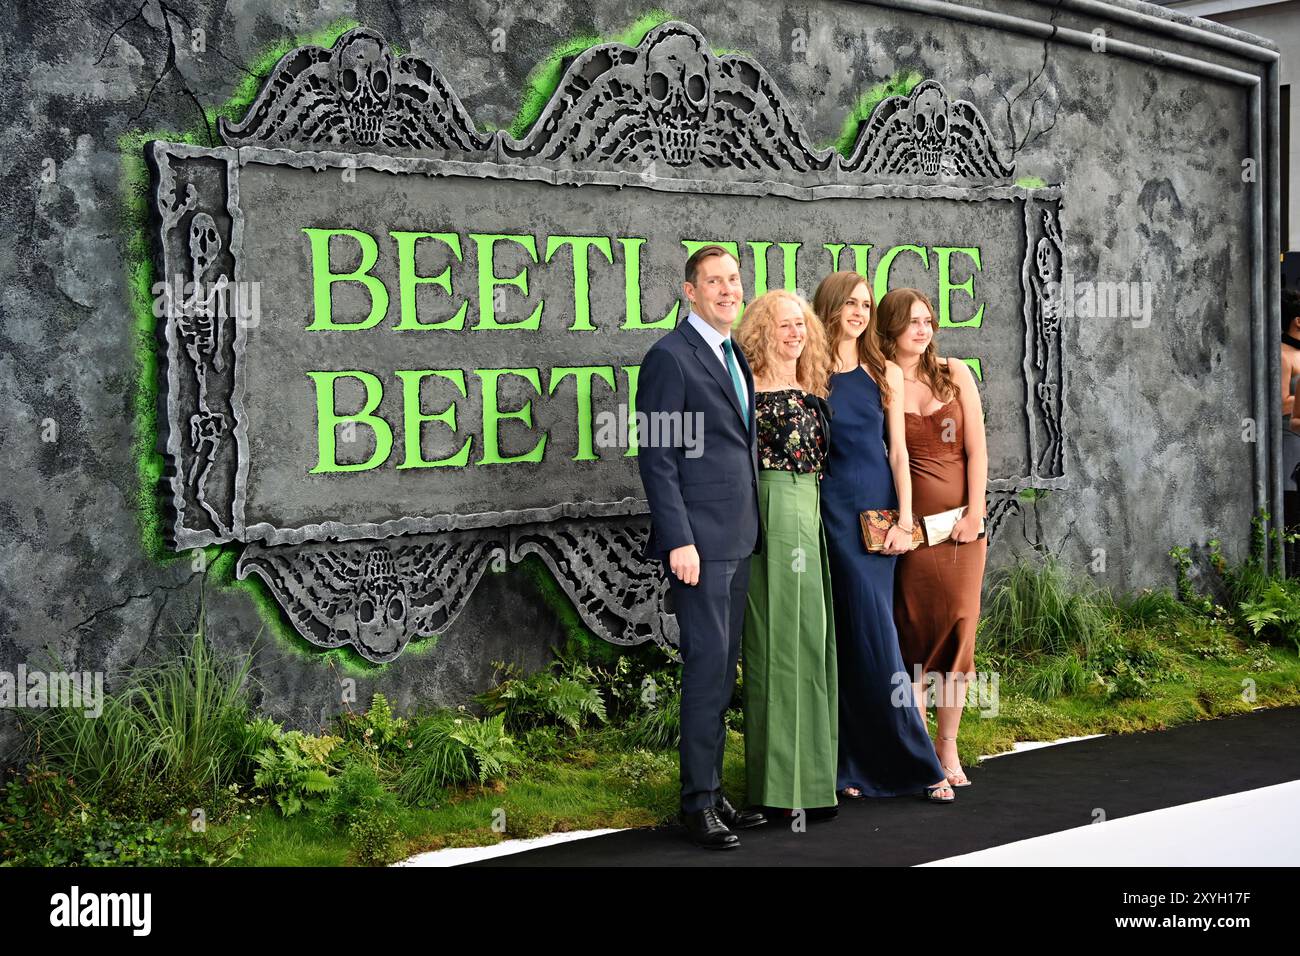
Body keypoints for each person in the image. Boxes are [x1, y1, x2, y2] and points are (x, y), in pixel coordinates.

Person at [636, 244, 768, 849]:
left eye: (734, 280)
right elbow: (657, 459)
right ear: (689, 291)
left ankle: (714, 794)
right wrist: (679, 541)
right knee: (707, 670)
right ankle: (696, 806)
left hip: (738, 538)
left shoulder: (730, 350)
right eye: (714, 281)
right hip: (700, 546)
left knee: (722, 671)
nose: (727, 290)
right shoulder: (669, 358)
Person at [812, 270, 954, 804]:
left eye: (866, 305)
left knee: (877, 635)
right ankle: (851, 765)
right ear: (829, 307)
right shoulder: (811, 370)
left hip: (876, 516)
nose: (858, 312)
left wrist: (905, 519)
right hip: (827, 514)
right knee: (847, 640)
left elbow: (898, 453)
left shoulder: (884, 372)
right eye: (849, 303)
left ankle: (917, 763)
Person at [876, 287, 988, 788]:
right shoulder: (885, 381)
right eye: (911, 321)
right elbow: (891, 454)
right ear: (891, 327)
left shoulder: (957, 374)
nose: (922, 330)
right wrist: (903, 524)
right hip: (914, 533)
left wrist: (977, 512)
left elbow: (977, 453)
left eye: (928, 321)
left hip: (964, 529)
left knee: (961, 634)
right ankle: (919, 753)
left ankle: (948, 745)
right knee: (917, 637)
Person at [734, 289, 838, 821]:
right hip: (770, 513)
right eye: (784, 325)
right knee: (775, 645)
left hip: (809, 511)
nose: (795, 333)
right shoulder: (746, 390)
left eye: (801, 325)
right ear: (761, 332)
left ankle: (816, 783)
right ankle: (776, 787)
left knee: (810, 645)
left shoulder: (810, 388)